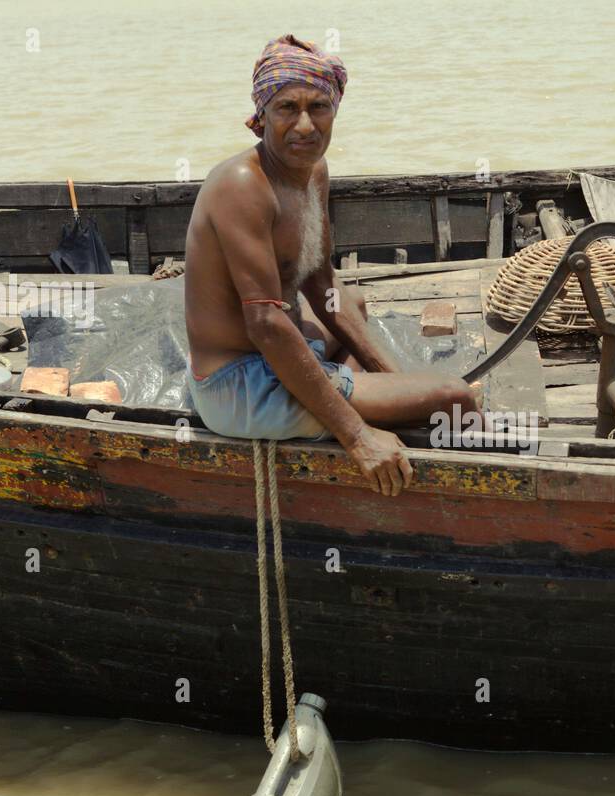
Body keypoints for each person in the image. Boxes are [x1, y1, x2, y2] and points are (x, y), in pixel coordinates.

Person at [184, 34, 479, 496]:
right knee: (455, 400)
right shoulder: (242, 185)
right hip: (239, 384)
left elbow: (320, 281)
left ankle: (370, 398)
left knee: (352, 303)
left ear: (335, 111)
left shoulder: (312, 173)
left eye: (318, 107)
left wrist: (393, 378)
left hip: (279, 352)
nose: (305, 125)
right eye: (287, 108)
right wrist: (356, 435)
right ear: (261, 116)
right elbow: (265, 323)